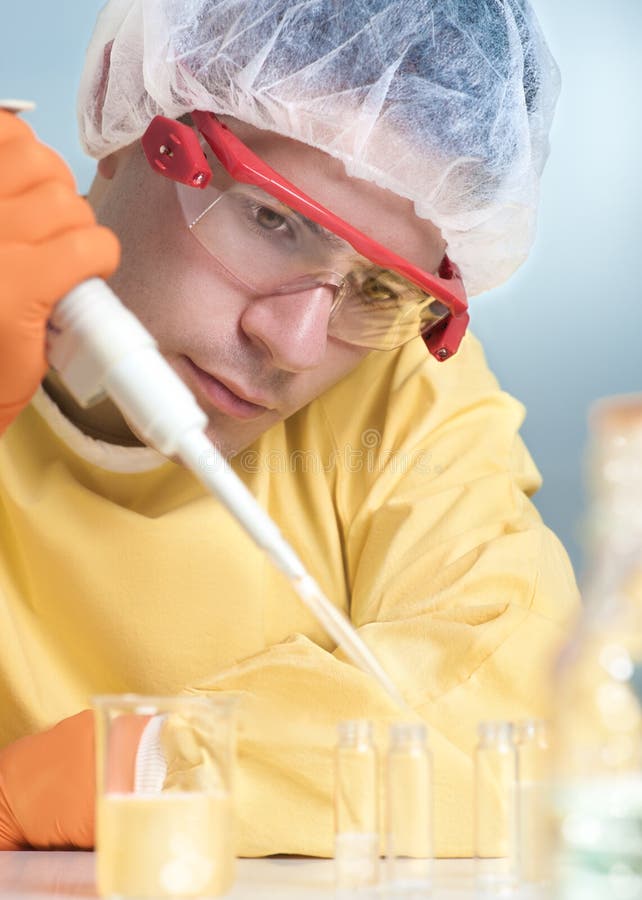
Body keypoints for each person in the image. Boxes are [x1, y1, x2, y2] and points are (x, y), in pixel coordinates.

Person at [0, 0, 578, 856]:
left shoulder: (397, 395)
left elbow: (521, 712)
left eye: (381, 288)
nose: (298, 343)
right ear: (129, 117)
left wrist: (144, 765)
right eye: (273, 220)